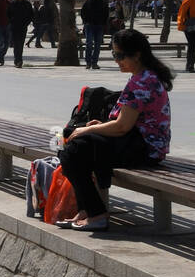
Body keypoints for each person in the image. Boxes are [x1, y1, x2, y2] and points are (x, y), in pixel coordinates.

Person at [57, 29, 173, 231]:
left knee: (74, 151)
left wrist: (88, 131)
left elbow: (121, 127)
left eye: (120, 56)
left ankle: (96, 214)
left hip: (145, 149)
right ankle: (86, 210)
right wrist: (97, 126)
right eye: (114, 55)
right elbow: (123, 123)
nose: (117, 60)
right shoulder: (142, 77)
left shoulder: (143, 82)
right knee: (73, 144)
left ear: (136, 55)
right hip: (135, 142)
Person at [80, 0, 108, 70]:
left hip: (99, 26)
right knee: (89, 44)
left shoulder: (103, 3)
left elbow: (106, 14)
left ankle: (94, 62)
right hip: (90, 26)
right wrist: (86, 22)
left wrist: (103, 23)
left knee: (97, 45)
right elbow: (83, 13)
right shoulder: (88, 3)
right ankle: (88, 62)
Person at [7, 0, 34, 68]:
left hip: (23, 27)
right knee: (16, 44)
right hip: (14, 27)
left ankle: (19, 60)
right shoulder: (12, 3)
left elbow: (31, 15)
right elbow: (8, 14)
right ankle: (17, 60)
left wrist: (26, 23)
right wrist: (11, 22)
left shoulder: (27, 4)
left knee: (21, 44)